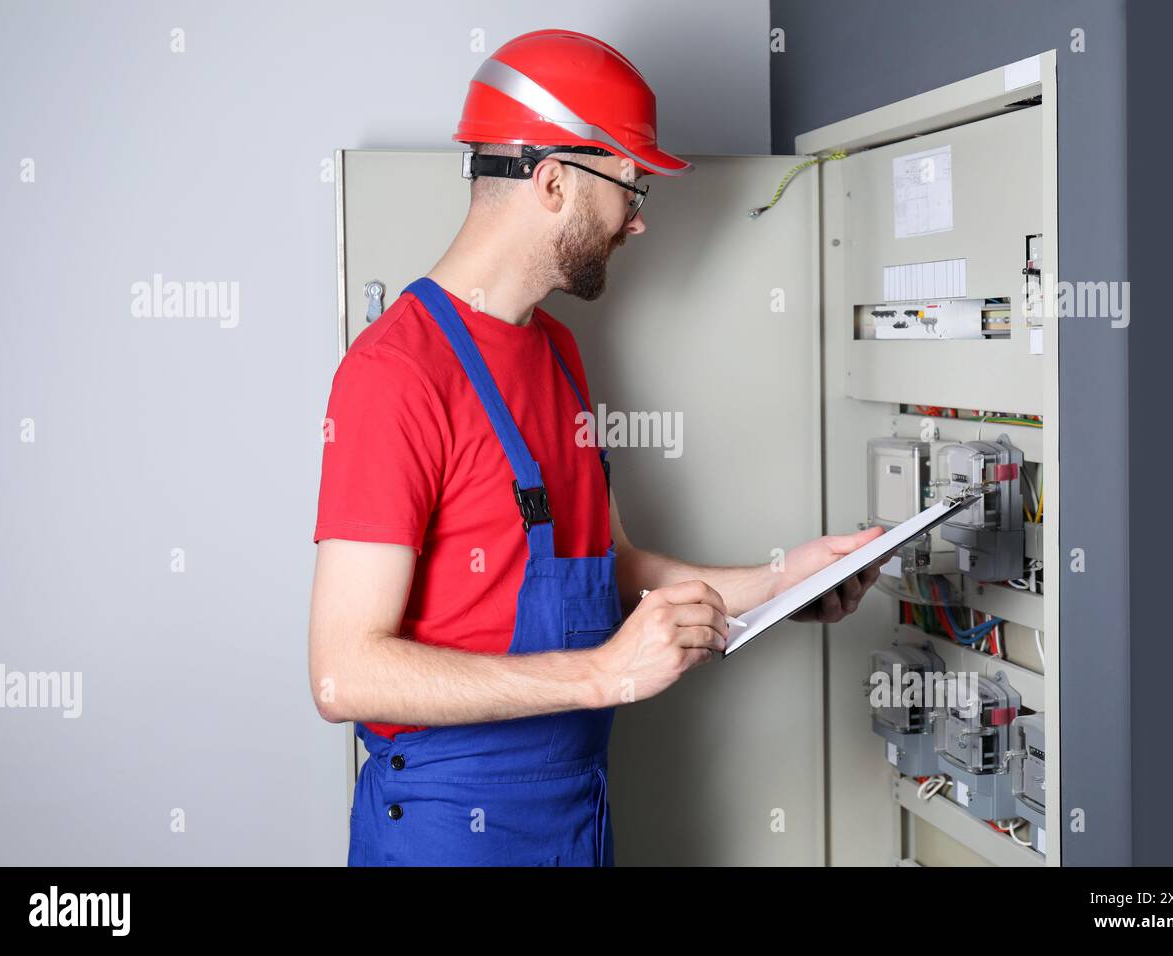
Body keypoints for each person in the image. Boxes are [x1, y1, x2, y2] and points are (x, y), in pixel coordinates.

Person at [308, 28, 883, 867]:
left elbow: (604, 565)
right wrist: (601, 675)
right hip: (450, 823)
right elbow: (343, 673)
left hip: (576, 811)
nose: (639, 220)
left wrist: (782, 582)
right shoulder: (393, 375)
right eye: (630, 184)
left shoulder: (556, 353)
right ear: (551, 182)